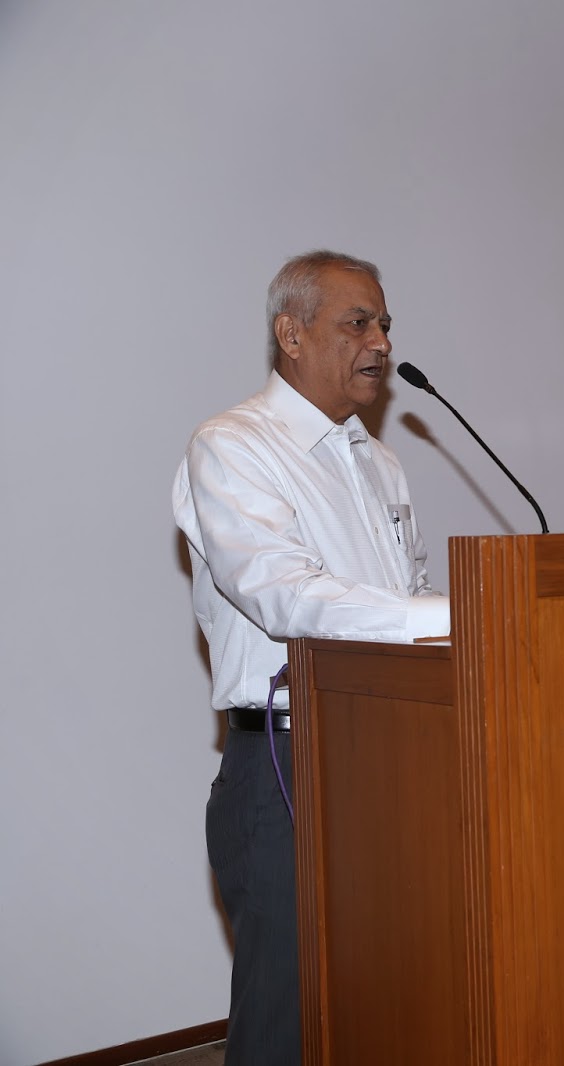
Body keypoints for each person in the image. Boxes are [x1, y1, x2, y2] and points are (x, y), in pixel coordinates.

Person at [173, 251, 450, 1065]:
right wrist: (452, 616)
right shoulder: (232, 447)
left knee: (390, 991)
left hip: (391, 751)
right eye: (356, 322)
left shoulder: (381, 462)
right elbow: (284, 596)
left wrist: (444, 618)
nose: (381, 343)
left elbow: (409, 594)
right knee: (286, 1017)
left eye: (386, 323)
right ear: (290, 334)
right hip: (287, 763)